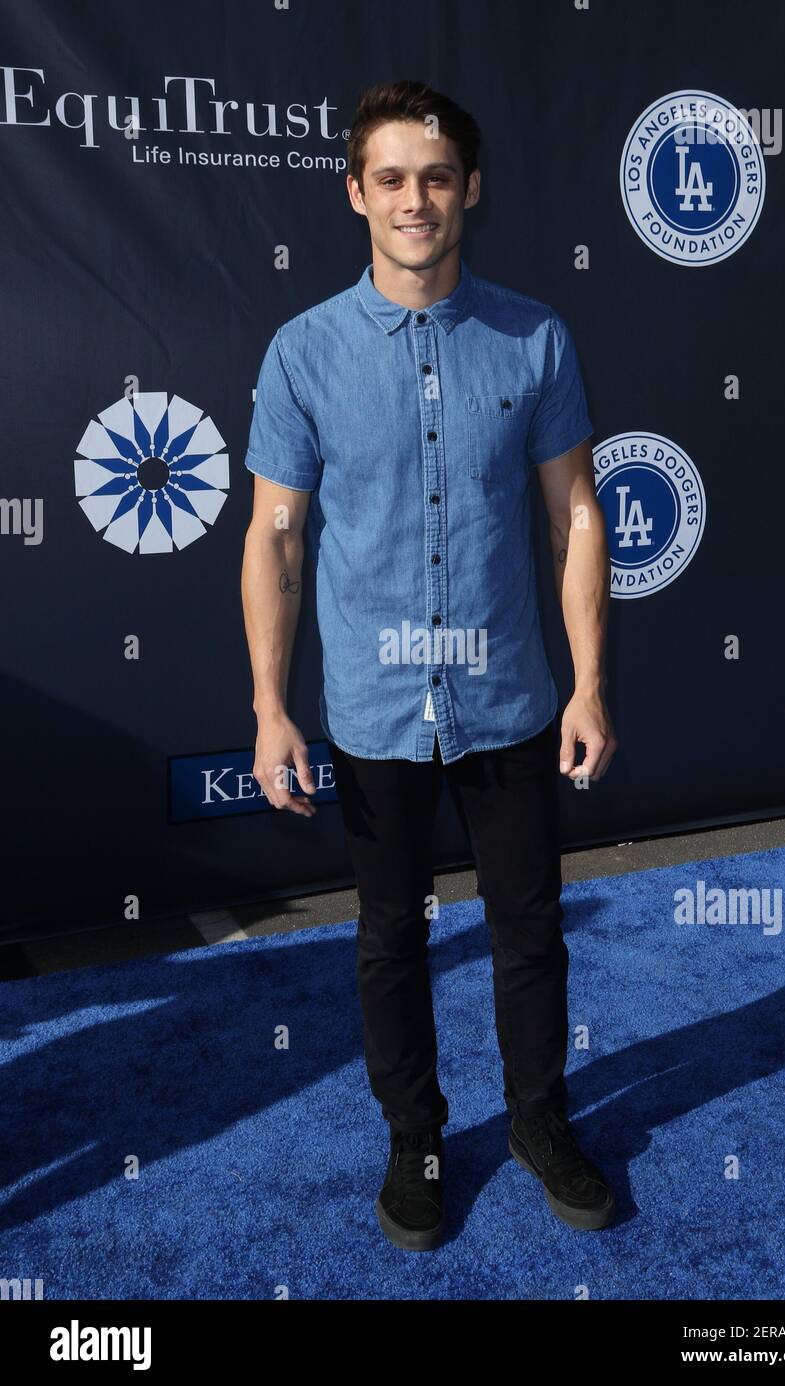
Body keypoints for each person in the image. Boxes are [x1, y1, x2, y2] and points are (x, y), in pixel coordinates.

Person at [241, 79, 618, 1251]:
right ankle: (414, 1136)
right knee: (387, 935)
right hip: (367, 707)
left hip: (506, 695)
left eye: (437, 177)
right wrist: (266, 706)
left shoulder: (534, 334)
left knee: (527, 926)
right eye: (392, 178)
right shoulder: (301, 353)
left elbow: (576, 516)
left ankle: (537, 1120)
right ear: (355, 192)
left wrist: (587, 681)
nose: (416, 200)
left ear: (469, 192)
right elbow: (275, 536)